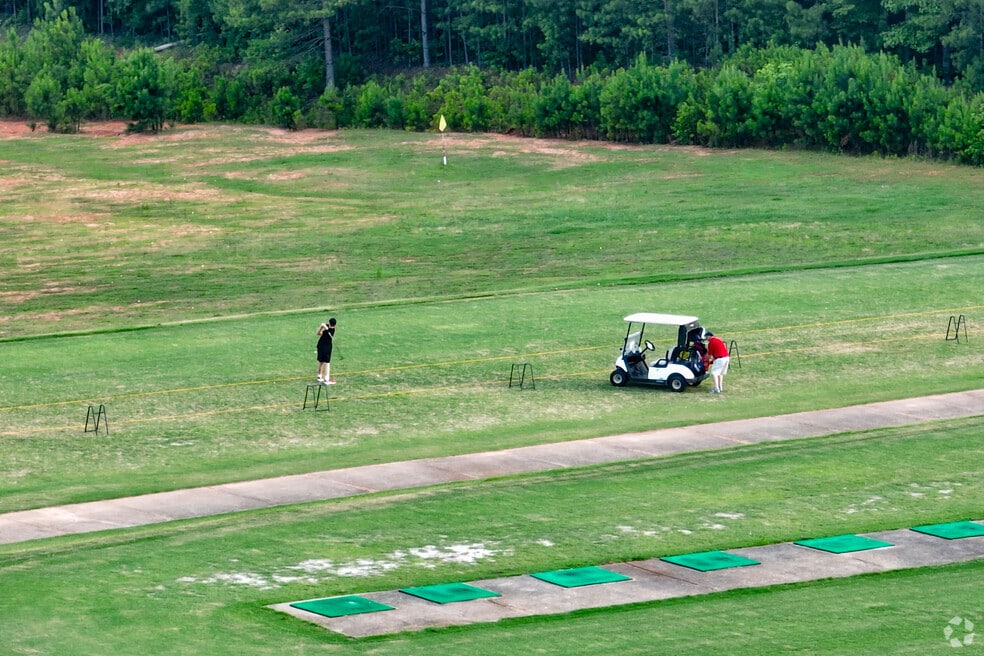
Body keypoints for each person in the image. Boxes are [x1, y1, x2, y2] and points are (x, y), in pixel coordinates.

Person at [316, 317, 337, 384]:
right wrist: (322, 326)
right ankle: (326, 379)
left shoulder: (331, 331)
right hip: (326, 347)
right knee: (327, 362)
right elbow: (318, 333)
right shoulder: (327, 328)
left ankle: (319, 376)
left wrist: (324, 328)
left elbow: (320, 333)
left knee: (321, 362)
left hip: (321, 346)